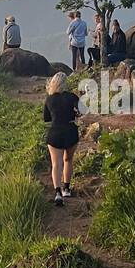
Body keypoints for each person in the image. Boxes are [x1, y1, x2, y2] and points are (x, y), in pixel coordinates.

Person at [43, 71, 81, 205]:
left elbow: (46, 118)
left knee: (56, 164)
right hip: (70, 131)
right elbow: (82, 110)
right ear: (66, 84)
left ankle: (57, 193)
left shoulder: (49, 98)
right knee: (68, 160)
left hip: (55, 132)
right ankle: (67, 188)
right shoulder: (72, 97)